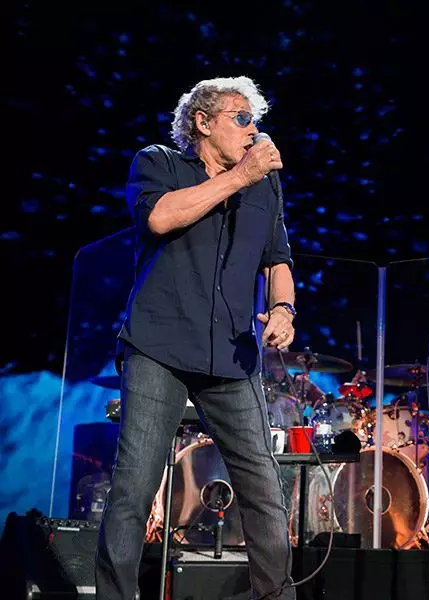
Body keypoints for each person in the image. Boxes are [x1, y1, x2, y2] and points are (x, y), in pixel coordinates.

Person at [96, 76, 298, 600]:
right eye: (242, 118)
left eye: (256, 121)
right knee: (135, 488)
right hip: (159, 347)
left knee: (264, 486)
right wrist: (240, 177)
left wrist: (283, 308)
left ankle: (275, 595)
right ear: (203, 123)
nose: (254, 131)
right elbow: (160, 219)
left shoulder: (265, 185)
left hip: (232, 356)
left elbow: (278, 259)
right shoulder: (158, 162)